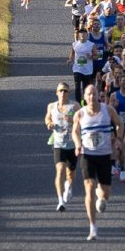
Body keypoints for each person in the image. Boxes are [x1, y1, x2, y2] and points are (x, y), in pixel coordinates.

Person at [71, 83, 123, 240]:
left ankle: (100, 196)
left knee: (105, 193)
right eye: (88, 95)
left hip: (105, 155)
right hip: (88, 155)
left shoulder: (108, 110)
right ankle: (93, 227)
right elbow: (75, 131)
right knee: (89, 187)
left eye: (94, 94)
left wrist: (118, 139)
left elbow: (120, 124)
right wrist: (78, 144)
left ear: (98, 95)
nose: (92, 97)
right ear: (85, 98)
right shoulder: (80, 114)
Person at [45, 83, 79, 211]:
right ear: (56, 92)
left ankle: (69, 186)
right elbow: (47, 118)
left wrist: (71, 120)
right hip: (58, 143)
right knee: (60, 170)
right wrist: (49, 124)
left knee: (71, 173)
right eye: (61, 91)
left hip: (73, 144)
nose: (63, 93)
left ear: (68, 93)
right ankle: (60, 201)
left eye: (65, 91)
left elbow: (82, 120)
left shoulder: (75, 106)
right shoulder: (52, 106)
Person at [69, 28, 96, 99]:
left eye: (84, 33)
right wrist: (70, 60)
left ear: (87, 35)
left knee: (85, 88)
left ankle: (84, 102)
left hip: (87, 70)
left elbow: (96, 56)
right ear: (78, 35)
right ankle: (77, 102)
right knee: (77, 86)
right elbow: (72, 54)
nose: (82, 35)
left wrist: (91, 57)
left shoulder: (91, 45)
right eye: (81, 33)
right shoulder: (74, 44)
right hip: (77, 69)